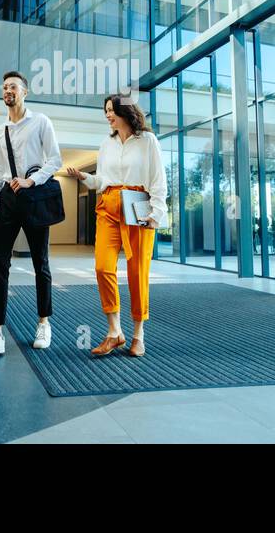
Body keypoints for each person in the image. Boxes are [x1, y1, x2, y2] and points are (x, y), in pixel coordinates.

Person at [65, 94, 167, 358]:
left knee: (138, 271)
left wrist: (155, 213)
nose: (107, 115)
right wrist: (85, 177)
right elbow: (102, 180)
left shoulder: (147, 141)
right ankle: (114, 332)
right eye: (106, 111)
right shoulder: (106, 143)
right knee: (102, 266)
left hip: (138, 206)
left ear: (125, 111)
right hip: (109, 206)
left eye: (111, 110)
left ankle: (138, 335)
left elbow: (158, 180)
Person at [0, 70, 62, 355]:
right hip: (9, 200)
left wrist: (32, 180)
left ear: (25, 91)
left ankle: (44, 323)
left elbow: (55, 160)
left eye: (12, 86)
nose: (7, 90)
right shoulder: (0, 130)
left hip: (35, 197)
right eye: (4, 87)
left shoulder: (41, 122)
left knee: (41, 263)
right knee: (0, 263)